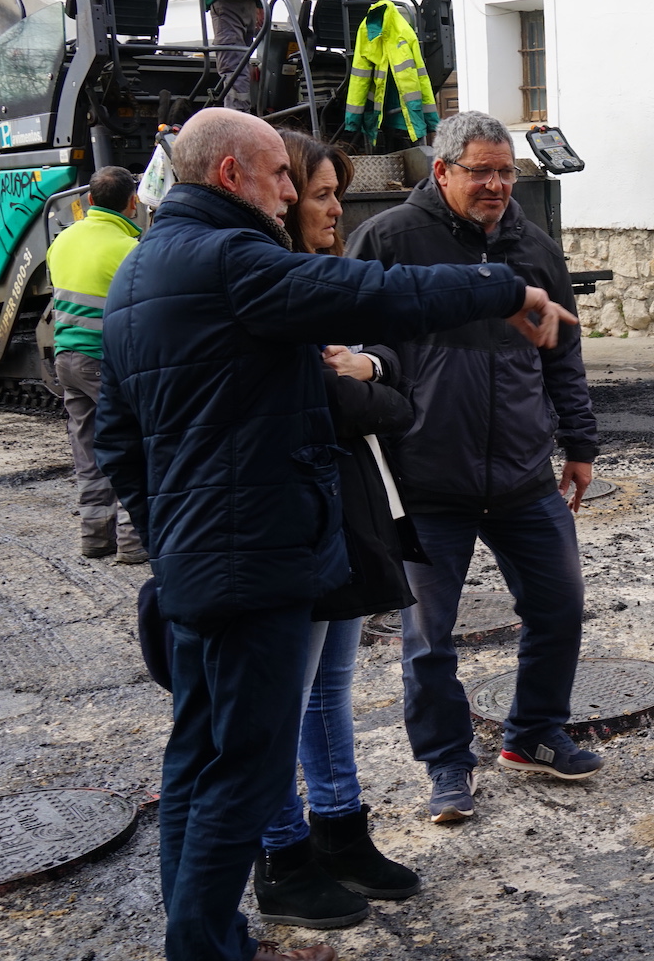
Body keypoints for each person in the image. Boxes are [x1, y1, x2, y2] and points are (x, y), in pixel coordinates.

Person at [94, 107, 573, 961]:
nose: (292, 191)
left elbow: (114, 440)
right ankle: (203, 948)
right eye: (282, 175)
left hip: (200, 561)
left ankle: (203, 932)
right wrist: (506, 289)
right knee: (242, 772)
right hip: (259, 562)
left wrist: (172, 540)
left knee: (197, 761)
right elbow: (377, 292)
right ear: (232, 175)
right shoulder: (234, 259)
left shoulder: (139, 274)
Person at [347, 110, 604, 820]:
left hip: (523, 476)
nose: (496, 185)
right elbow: (354, 355)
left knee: (559, 607)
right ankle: (447, 767)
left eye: (505, 171)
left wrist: (579, 443)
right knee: (430, 637)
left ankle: (534, 734)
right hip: (429, 480)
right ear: (441, 170)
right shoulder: (389, 240)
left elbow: (564, 354)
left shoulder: (534, 246)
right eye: (480, 171)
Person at [251, 131, 422, 930]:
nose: (331, 208)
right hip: (296, 523)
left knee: (329, 689)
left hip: (348, 515)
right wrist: (369, 383)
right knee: (286, 700)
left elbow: (389, 372)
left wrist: (373, 368)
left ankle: (341, 830)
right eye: (320, 193)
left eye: (332, 193)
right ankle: (284, 858)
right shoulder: (271, 291)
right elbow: (352, 404)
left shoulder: (323, 286)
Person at [45, 165, 146, 563]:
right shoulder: (129, 250)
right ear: (132, 202)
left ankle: (95, 538)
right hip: (104, 363)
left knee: (87, 450)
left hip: (66, 359)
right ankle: (134, 542)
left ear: (89, 202)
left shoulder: (62, 241)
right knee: (130, 447)